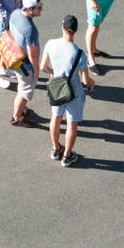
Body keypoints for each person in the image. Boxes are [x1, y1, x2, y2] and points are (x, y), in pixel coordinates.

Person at [40, 14, 95, 166]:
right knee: (71, 124)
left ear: (62, 26)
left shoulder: (51, 44)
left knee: (56, 118)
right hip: (74, 92)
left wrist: (52, 73)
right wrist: (92, 82)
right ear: (75, 31)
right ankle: (67, 155)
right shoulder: (79, 53)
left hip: (57, 87)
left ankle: (56, 149)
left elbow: (42, 67)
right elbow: (84, 80)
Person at [4, 0, 45, 128]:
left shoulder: (16, 13)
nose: (41, 10)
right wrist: (36, 70)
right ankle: (17, 117)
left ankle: (23, 109)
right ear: (29, 9)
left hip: (14, 57)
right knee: (24, 92)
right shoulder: (30, 29)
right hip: (25, 66)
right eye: (38, 8)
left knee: (22, 86)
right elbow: (33, 55)